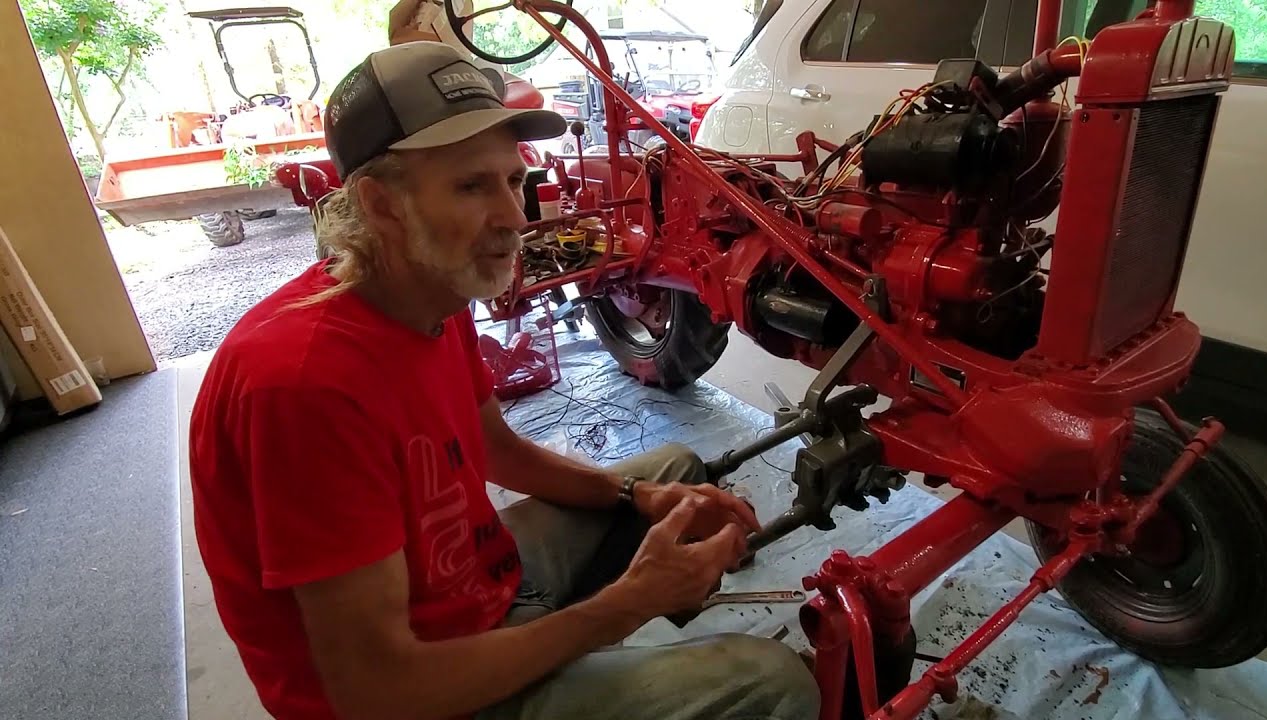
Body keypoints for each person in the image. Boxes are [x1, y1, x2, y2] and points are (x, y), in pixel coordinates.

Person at [188, 40, 820, 720]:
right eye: (471, 186)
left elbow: (500, 451)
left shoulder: (431, 291)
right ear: (381, 205)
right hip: (418, 693)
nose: (517, 218)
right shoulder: (302, 387)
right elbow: (375, 692)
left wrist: (637, 497)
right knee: (775, 683)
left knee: (675, 470)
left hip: (473, 592)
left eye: (512, 181)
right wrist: (626, 604)